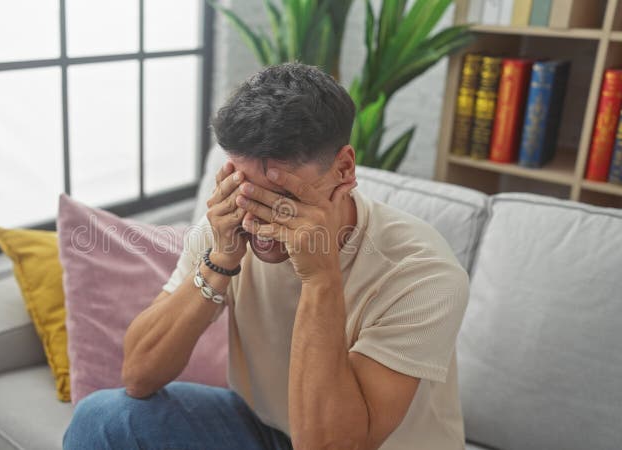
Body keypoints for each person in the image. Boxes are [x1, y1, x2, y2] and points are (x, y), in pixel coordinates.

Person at [63, 63, 469, 450]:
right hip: (268, 430)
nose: (258, 222)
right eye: (246, 191)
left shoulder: (421, 273)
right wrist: (221, 259)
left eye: (283, 198)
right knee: (103, 419)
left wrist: (321, 277)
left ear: (343, 169)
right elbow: (137, 375)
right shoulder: (227, 226)